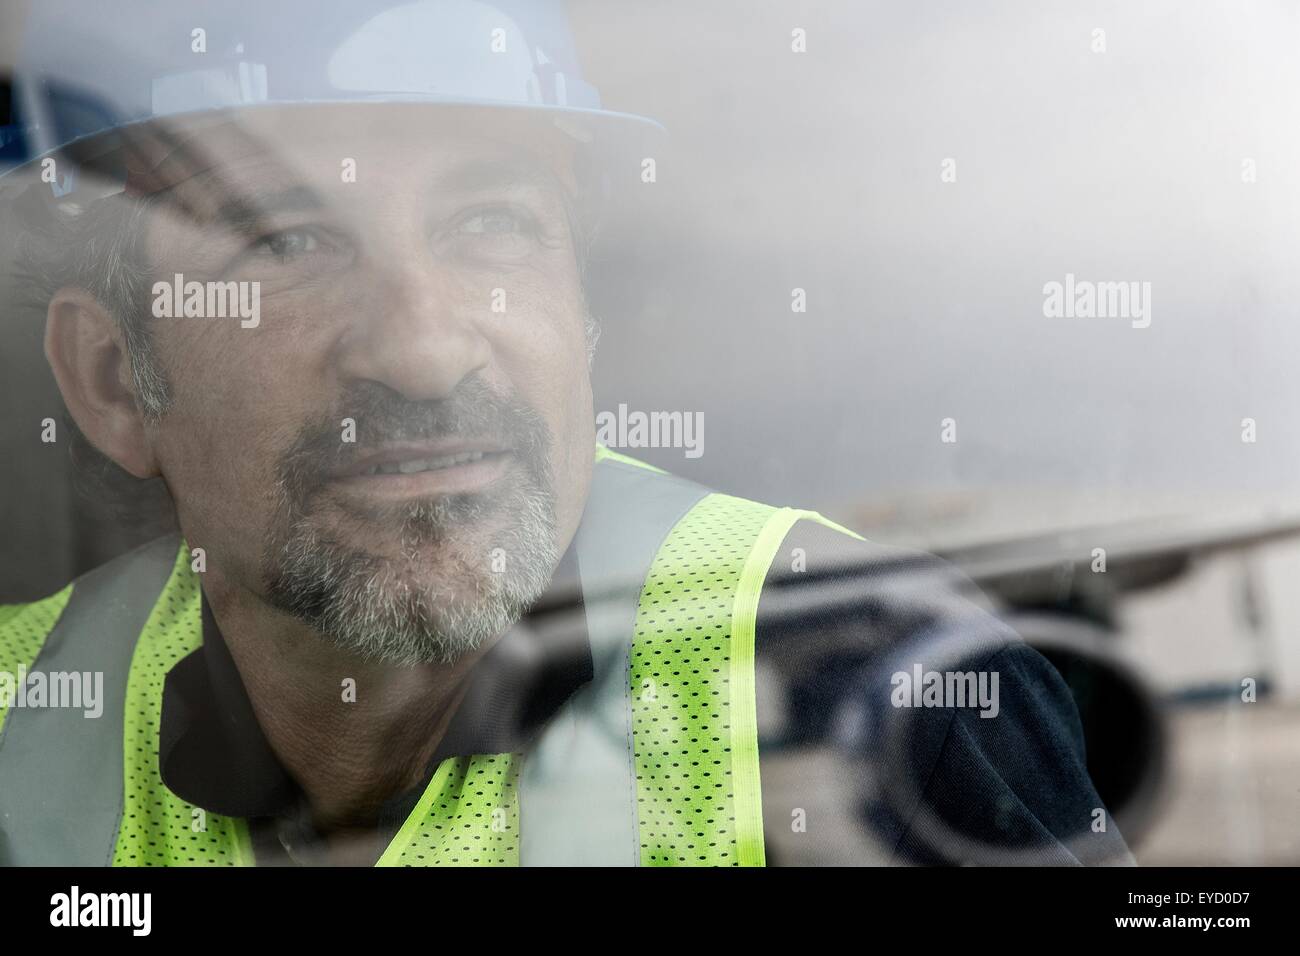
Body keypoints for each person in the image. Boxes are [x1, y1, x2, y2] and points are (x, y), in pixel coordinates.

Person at [0, 0, 1133, 866]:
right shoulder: (22, 700)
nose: (424, 348)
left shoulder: (889, 684)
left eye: (490, 223)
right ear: (112, 380)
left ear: (581, 319)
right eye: (289, 241)